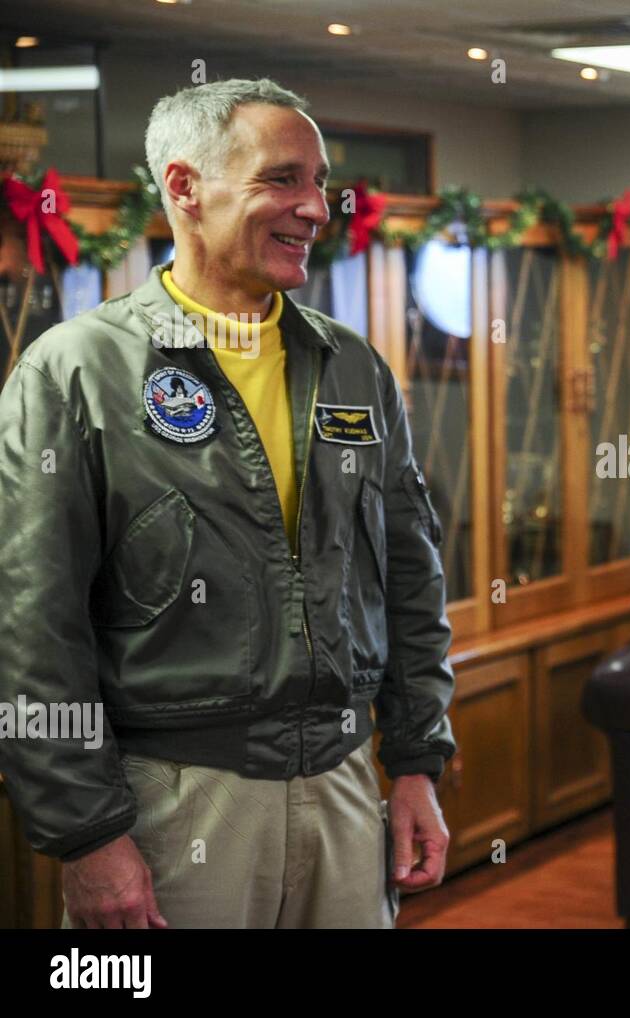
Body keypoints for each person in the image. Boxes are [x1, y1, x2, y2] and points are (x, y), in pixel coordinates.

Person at [0, 77, 456, 928]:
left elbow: (410, 579)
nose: (317, 208)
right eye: (283, 179)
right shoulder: (76, 372)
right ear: (184, 188)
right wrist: (87, 837)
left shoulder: (353, 367)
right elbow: (32, 629)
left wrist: (418, 762)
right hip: (169, 806)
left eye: (320, 182)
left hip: (345, 784)